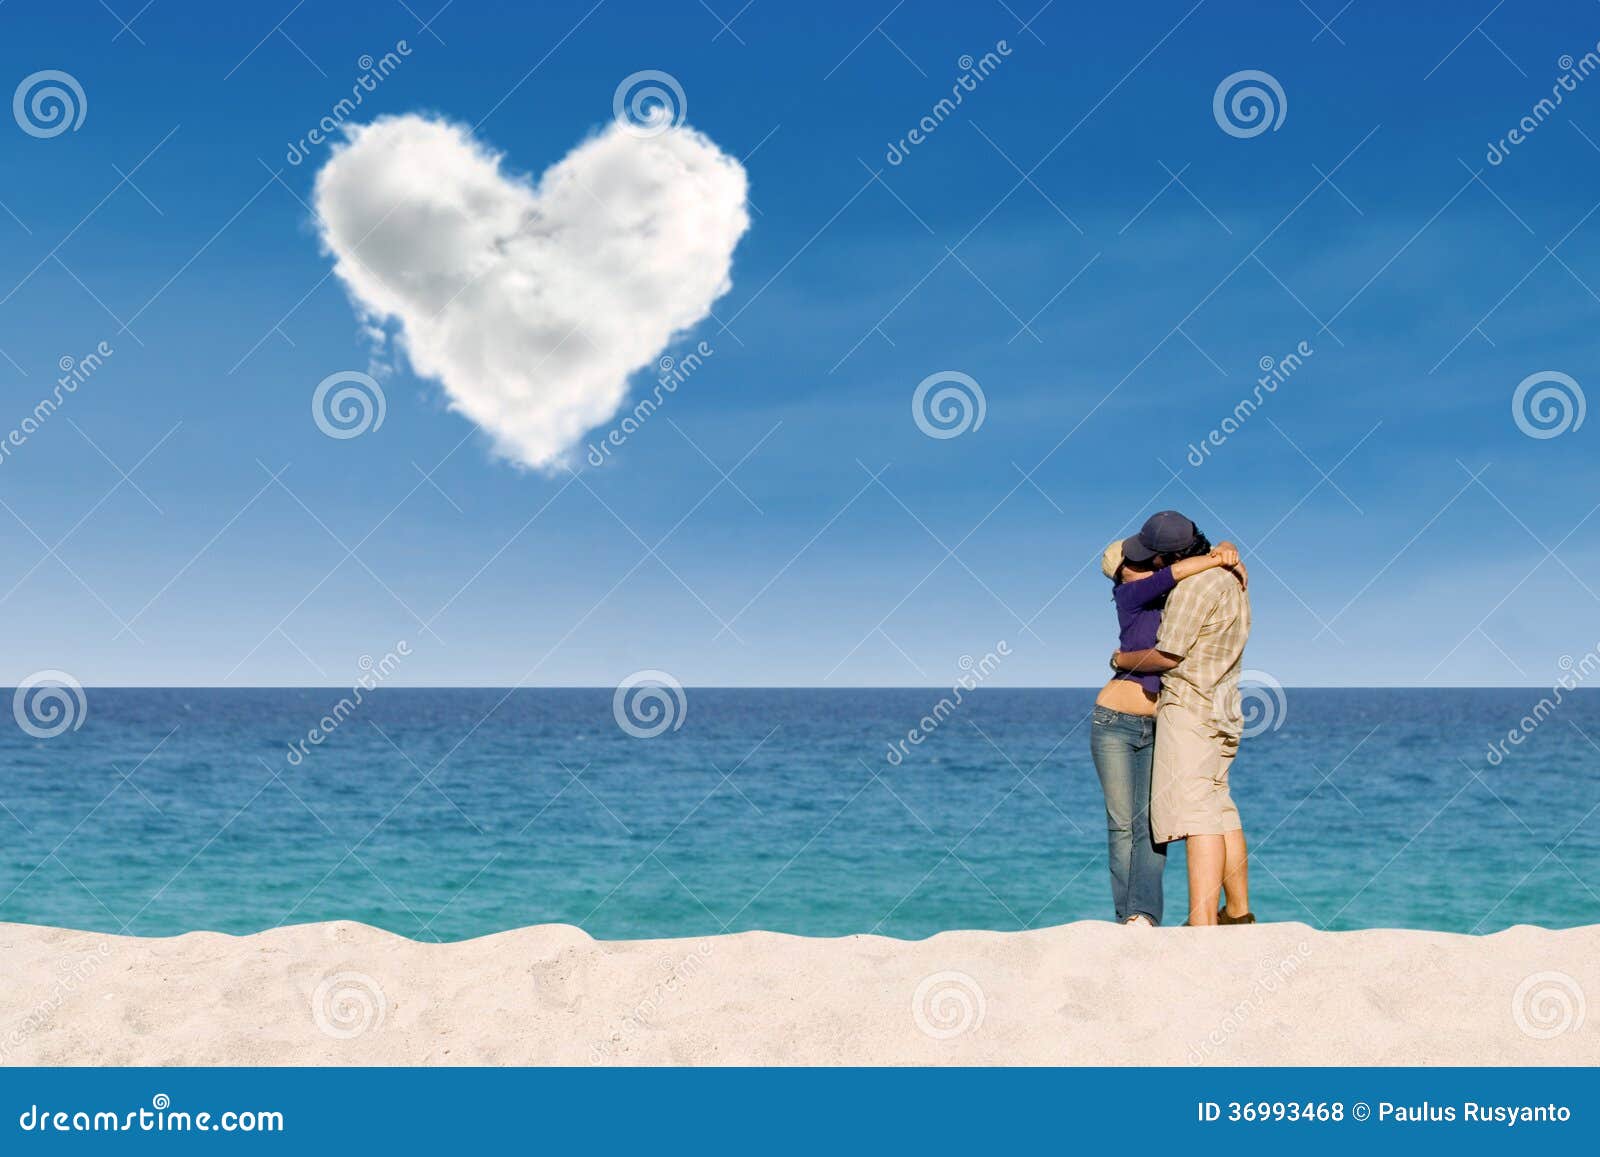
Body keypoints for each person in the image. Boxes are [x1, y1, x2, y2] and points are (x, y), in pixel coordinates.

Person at [1091, 521, 1243, 927]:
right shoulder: (1130, 594)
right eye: (1135, 564)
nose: (1145, 568)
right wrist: (1219, 556)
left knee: (1151, 828)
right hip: (1115, 723)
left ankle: (1145, 914)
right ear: (1122, 573)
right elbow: (1176, 571)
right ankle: (1129, 916)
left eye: (1147, 562)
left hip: (1158, 723)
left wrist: (1227, 550)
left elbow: (1181, 576)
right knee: (1123, 825)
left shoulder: (1176, 595)